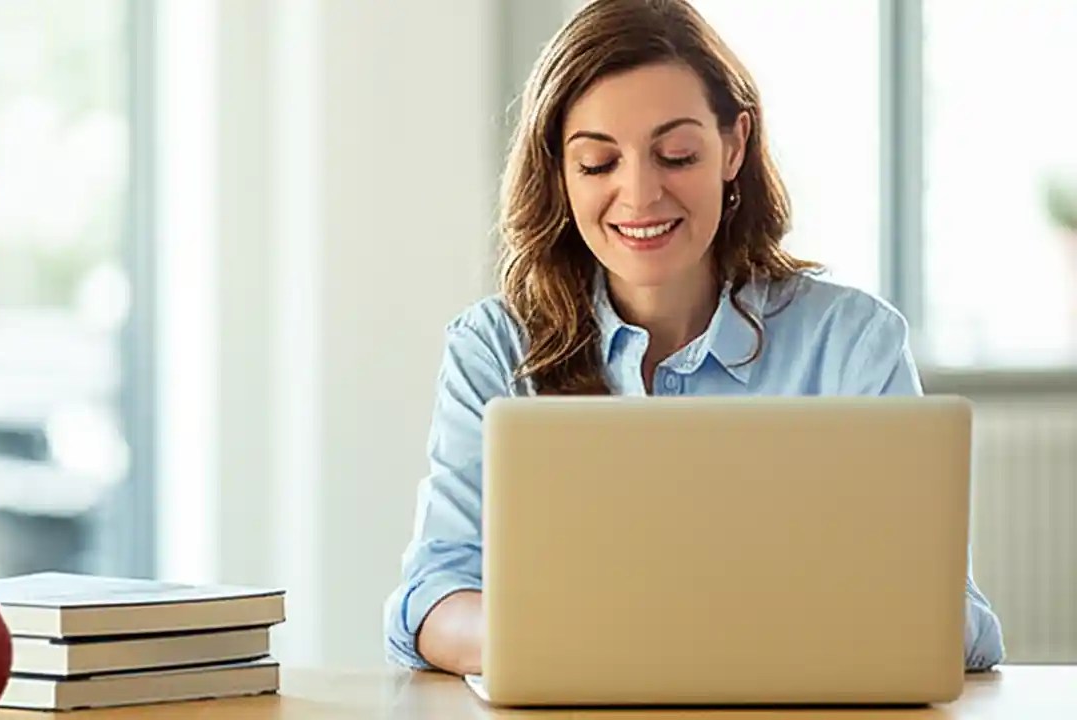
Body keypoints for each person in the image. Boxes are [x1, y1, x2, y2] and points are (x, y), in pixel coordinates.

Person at [382, 0, 1005, 676]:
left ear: (733, 145)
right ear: (559, 171)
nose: (640, 194)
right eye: (597, 164)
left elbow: (955, 624)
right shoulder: (496, 348)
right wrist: (603, 646)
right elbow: (431, 597)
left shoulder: (851, 342)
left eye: (676, 155)